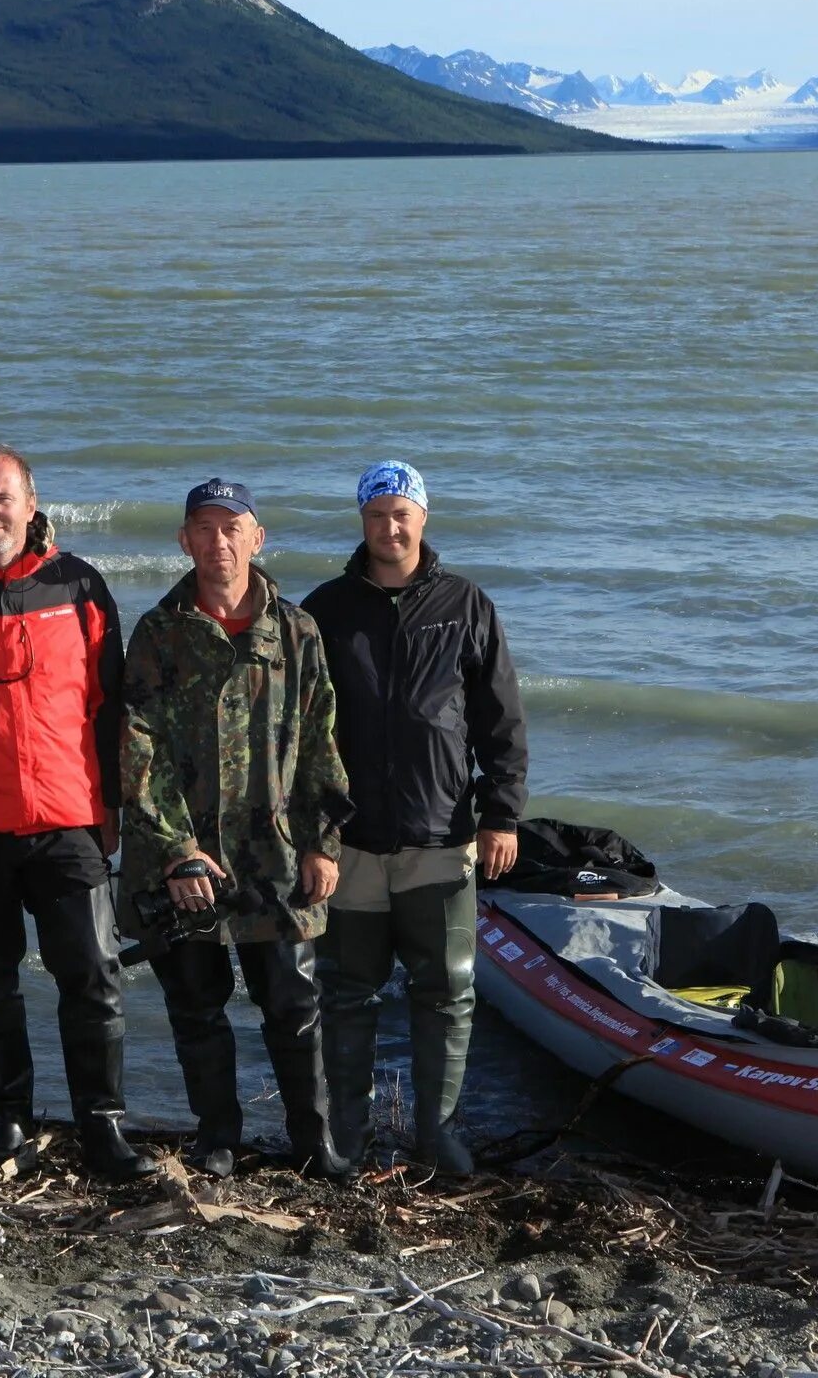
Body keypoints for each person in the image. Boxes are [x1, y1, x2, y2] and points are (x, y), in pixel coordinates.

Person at [0, 445, 152, 1180]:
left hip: (67, 820)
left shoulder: (78, 585)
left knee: (94, 975)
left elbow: (112, 706)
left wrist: (112, 809)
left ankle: (102, 1126)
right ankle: (7, 1119)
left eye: (5, 497)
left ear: (33, 500)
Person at [119, 477, 351, 1180]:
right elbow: (138, 747)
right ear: (184, 541)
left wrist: (323, 841)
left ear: (258, 538)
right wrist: (177, 852)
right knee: (196, 1006)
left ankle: (315, 1142)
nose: (218, 542)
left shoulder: (297, 631)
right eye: (204, 529)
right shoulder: (159, 633)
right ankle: (218, 1137)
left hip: (276, 855)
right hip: (185, 863)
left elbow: (321, 738)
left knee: (294, 1003)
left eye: (232, 528)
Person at [302, 461, 527, 1175]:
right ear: (362, 522)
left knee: (446, 992)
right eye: (377, 515)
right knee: (346, 994)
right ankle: (347, 1134)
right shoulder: (327, 610)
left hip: (441, 838)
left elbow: (501, 723)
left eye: (402, 513)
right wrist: (312, 833)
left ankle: (439, 1135)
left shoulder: (466, 605)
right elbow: (301, 732)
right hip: (352, 844)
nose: (389, 527)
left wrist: (502, 815)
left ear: (423, 519)